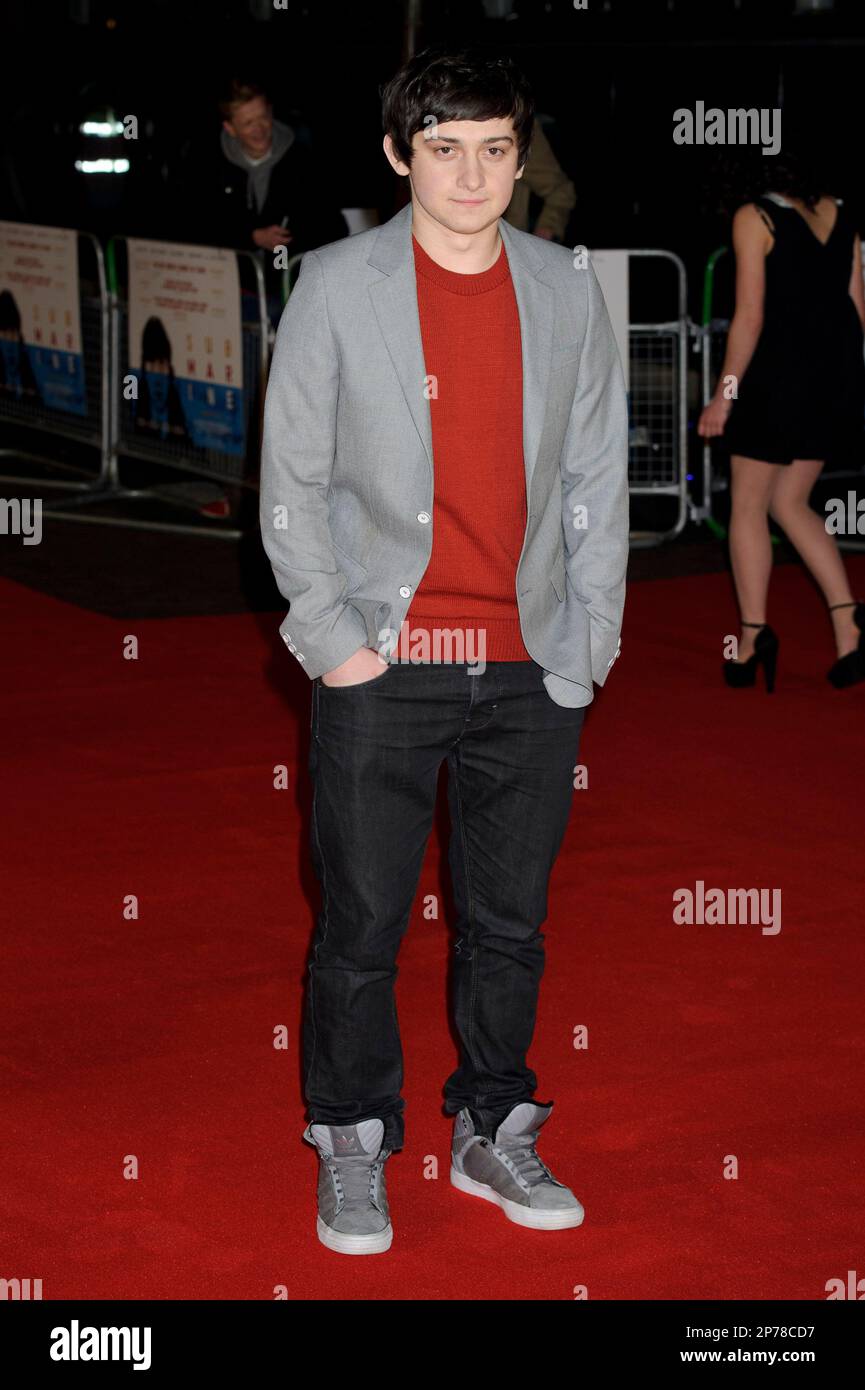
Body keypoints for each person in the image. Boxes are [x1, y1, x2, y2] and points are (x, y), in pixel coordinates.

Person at [259, 43, 628, 1255]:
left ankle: (492, 1126)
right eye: (443, 149)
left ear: (519, 158)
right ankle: (353, 1138)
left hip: (530, 660)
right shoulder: (333, 284)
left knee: (508, 922)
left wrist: (589, 642)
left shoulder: (568, 288)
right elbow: (291, 482)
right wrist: (333, 645)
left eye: (493, 150)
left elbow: (593, 478)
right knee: (361, 925)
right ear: (396, 154)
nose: (470, 175)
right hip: (383, 655)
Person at [698, 151, 865, 691]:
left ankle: (751, 640)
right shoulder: (841, 214)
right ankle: (849, 628)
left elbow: (749, 317)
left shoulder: (755, 217)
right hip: (830, 380)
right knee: (791, 502)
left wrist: (724, 396)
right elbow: (857, 309)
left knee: (748, 507)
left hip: (774, 380)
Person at [178, 79, 348, 321]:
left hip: (292, 293)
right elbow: (197, 223)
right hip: (228, 293)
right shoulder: (208, 165)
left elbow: (332, 226)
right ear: (230, 128)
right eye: (248, 123)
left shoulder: (302, 159)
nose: (259, 128)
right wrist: (251, 236)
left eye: (262, 117)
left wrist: (293, 243)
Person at [503, 118, 576, 242]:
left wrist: (546, 230)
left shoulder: (515, 119)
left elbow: (559, 191)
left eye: (494, 151)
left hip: (509, 246)